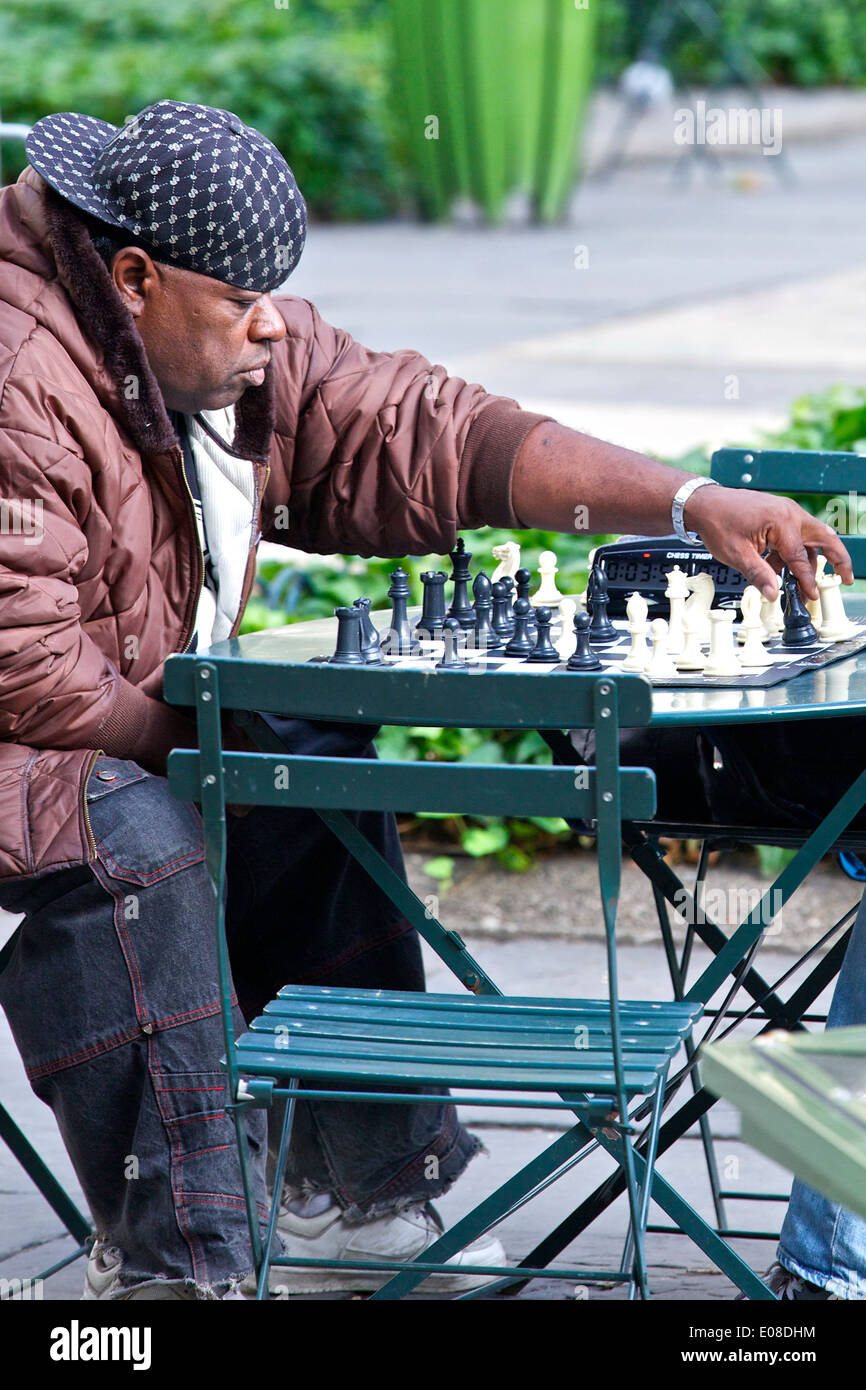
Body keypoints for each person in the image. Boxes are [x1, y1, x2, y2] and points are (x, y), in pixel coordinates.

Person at [0, 99, 849, 1299]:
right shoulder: (19, 370)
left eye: (275, 300)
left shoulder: (215, 343)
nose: (270, 331)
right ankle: (170, 1270)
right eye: (241, 305)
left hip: (109, 715)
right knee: (140, 831)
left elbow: (425, 433)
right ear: (131, 276)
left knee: (299, 750)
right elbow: (28, 673)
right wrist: (211, 743)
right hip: (24, 741)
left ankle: (360, 1197)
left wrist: (685, 501)